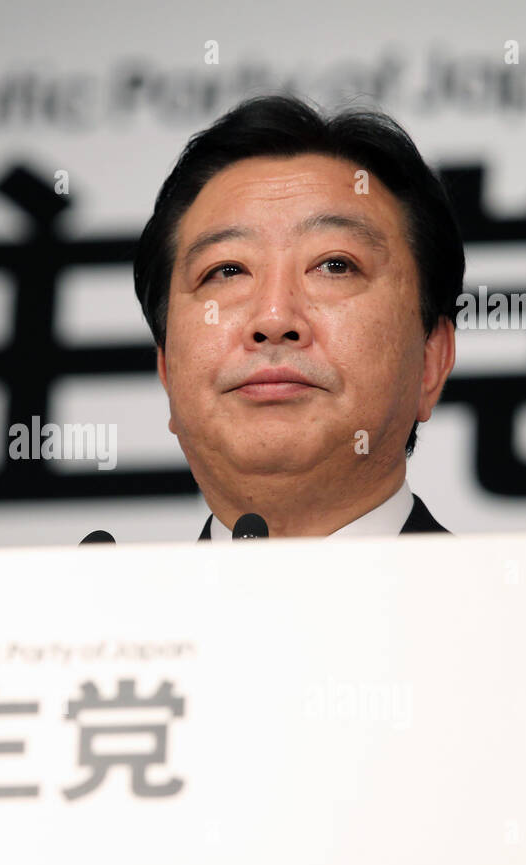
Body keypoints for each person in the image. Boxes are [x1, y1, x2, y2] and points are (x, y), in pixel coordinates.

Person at [132, 94, 461, 539]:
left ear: (432, 360)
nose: (272, 319)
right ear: (167, 368)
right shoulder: (86, 608)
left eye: (335, 265)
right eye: (226, 270)